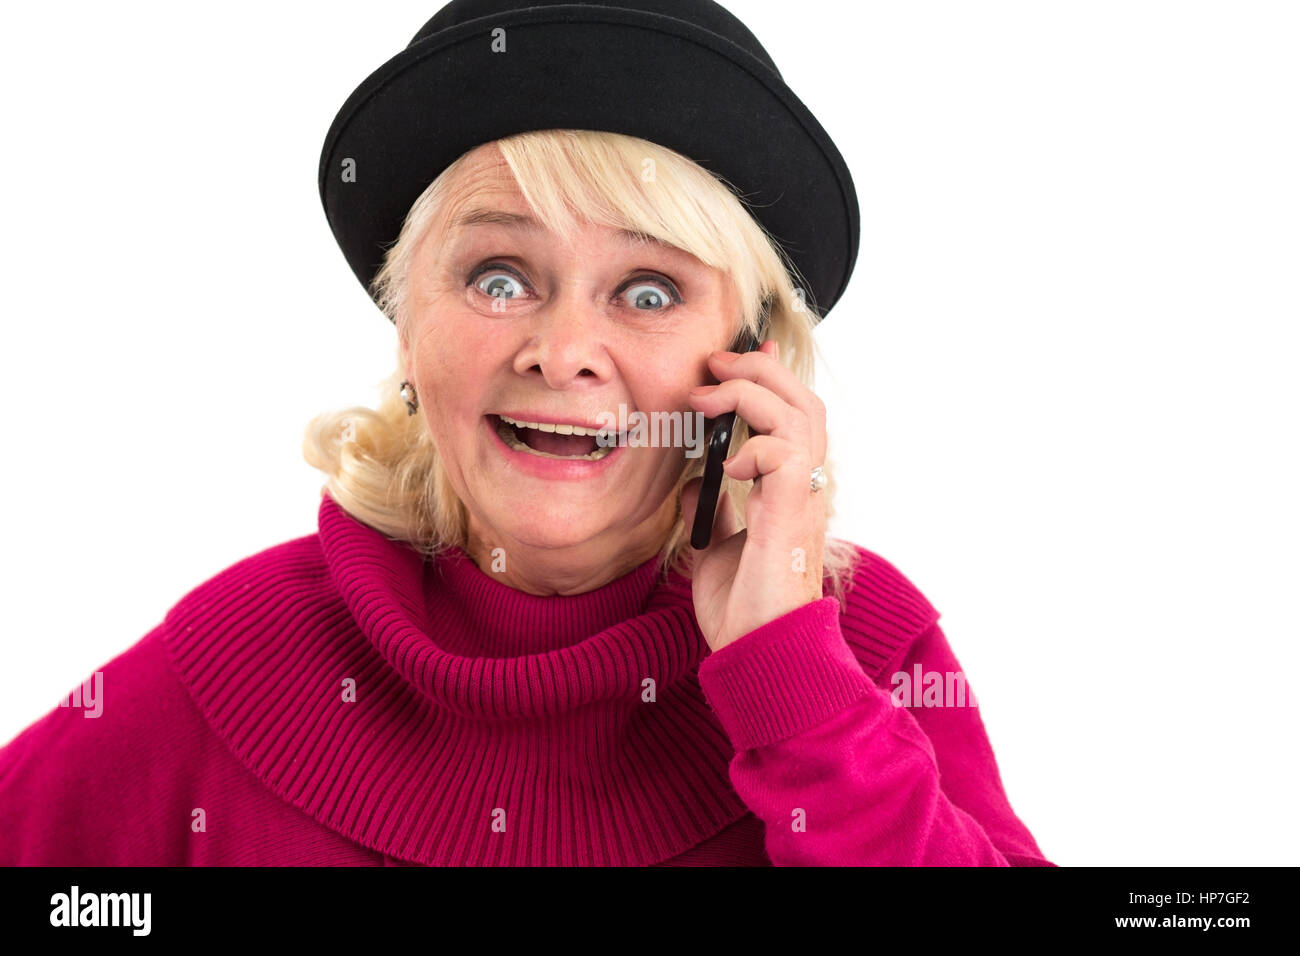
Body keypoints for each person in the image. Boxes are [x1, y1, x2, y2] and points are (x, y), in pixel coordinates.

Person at [0, 0, 1053, 866]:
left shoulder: (864, 647)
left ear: (749, 362)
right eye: (498, 277)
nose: (562, 350)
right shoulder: (233, 661)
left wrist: (791, 679)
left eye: (647, 290)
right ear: (411, 329)